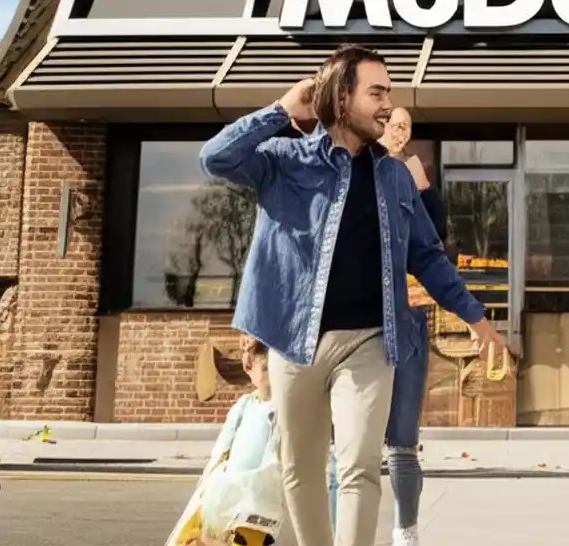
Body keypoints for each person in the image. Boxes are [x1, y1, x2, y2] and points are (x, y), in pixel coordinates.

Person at [199, 43, 506, 546]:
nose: (388, 104)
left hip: (370, 339)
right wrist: (280, 110)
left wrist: (477, 319)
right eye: (377, 92)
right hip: (293, 338)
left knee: (360, 464)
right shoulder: (283, 160)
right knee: (299, 464)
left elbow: (428, 256)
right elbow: (215, 158)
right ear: (341, 98)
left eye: (390, 91)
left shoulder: (394, 176)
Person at [325, 106, 450, 546]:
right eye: (394, 124)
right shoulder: (347, 170)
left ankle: (405, 531)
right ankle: (340, 532)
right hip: (355, 323)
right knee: (345, 448)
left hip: (408, 319)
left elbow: (434, 246)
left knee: (401, 441)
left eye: (406, 128)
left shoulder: (414, 181)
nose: (399, 133)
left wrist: (421, 190)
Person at [169, 335, 281, 546]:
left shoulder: (283, 411)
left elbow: (271, 476)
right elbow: (216, 465)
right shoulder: (244, 406)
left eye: (256, 351)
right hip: (214, 514)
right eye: (243, 352)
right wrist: (197, 525)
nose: (247, 361)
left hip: (250, 523)